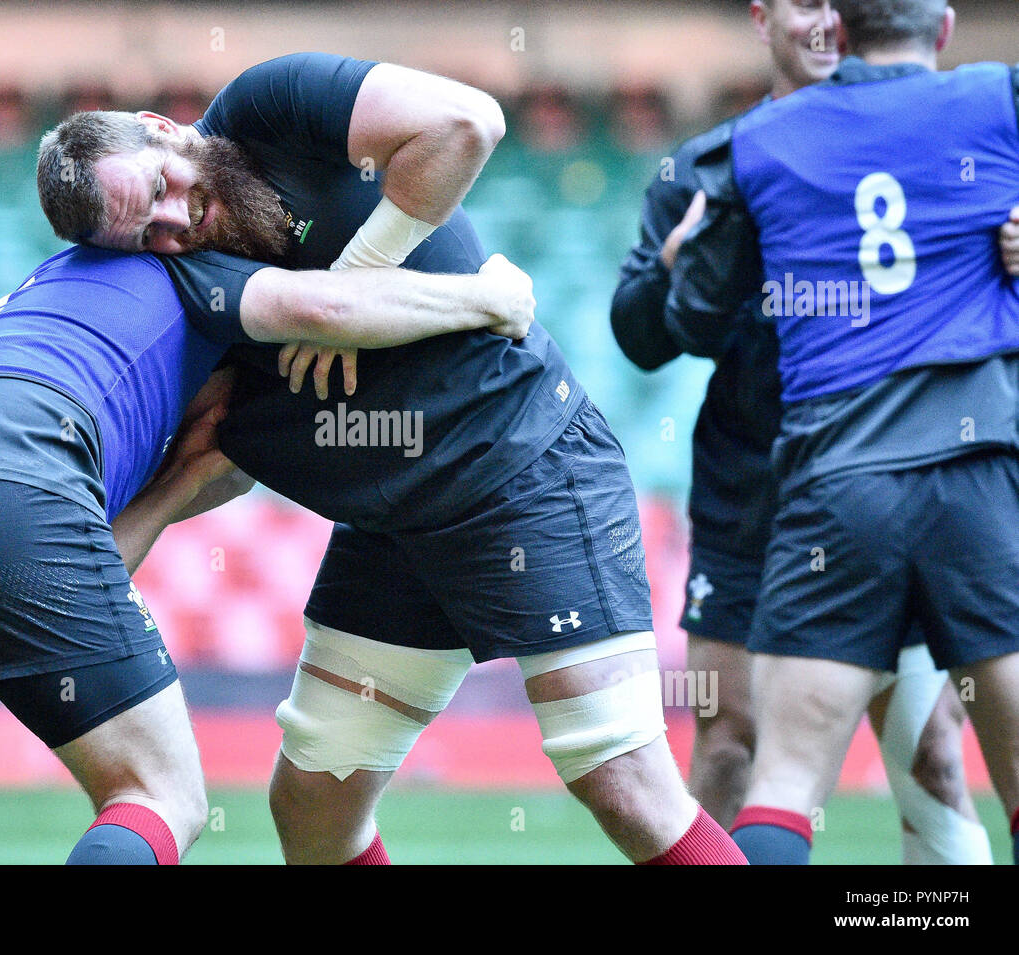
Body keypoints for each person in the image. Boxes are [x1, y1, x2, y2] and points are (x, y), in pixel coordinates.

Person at [38, 53, 747, 864]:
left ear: (164, 128)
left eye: (160, 185)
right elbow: (228, 446)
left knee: (623, 780)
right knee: (312, 800)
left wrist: (359, 276)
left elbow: (467, 123)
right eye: (146, 232)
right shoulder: (190, 289)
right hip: (392, 523)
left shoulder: (267, 108)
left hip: (522, 467)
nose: (174, 220)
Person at [0, 228, 534, 865]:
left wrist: (173, 490)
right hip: (17, 478)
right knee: (160, 794)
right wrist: (484, 298)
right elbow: (329, 303)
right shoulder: (216, 278)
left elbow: (75, 559)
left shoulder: (64, 286)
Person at [612, 0, 1004, 863]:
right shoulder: (717, 163)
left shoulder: (943, 150)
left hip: (885, 483)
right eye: (807, 2)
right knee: (729, 743)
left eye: (843, 2)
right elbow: (637, 336)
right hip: (752, 497)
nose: (827, 18)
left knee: (934, 752)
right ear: (764, 18)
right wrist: (680, 270)